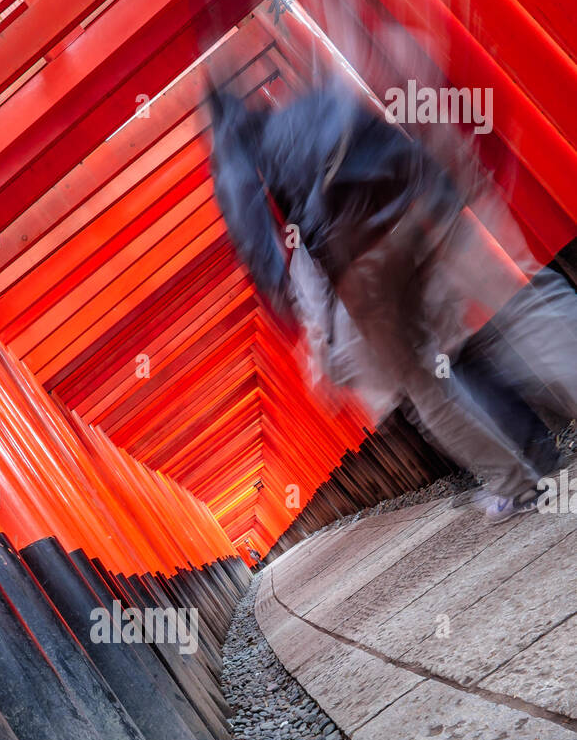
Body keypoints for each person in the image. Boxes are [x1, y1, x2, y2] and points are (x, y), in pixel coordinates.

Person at [207, 76, 575, 520]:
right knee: (520, 305)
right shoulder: (311, 99)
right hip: (423, 196)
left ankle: (518, 486)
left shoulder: (237, 157)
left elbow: (258, 242)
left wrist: (297, 307)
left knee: (426, 386)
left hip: (363, 258)